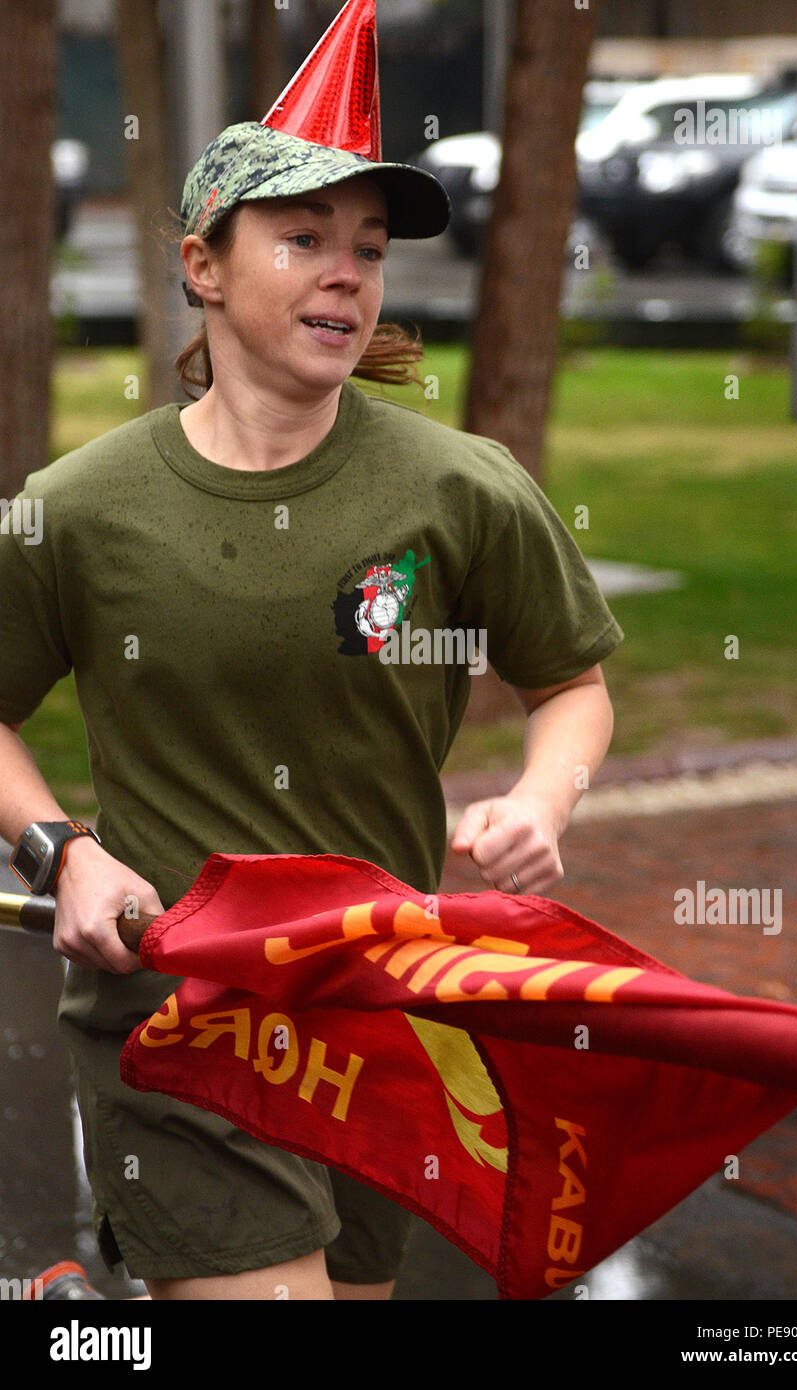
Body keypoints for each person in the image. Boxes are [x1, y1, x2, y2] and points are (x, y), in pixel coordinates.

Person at [0, 2, 622, 1301]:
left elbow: (568, 681)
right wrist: (63, 847)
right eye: (302, 238)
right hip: (177, 1008)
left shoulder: (461, 489)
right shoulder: (84, 505)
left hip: (376, 1012)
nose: (346, 272)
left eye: (369, 247)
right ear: (203, 265)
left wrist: (542, 797)